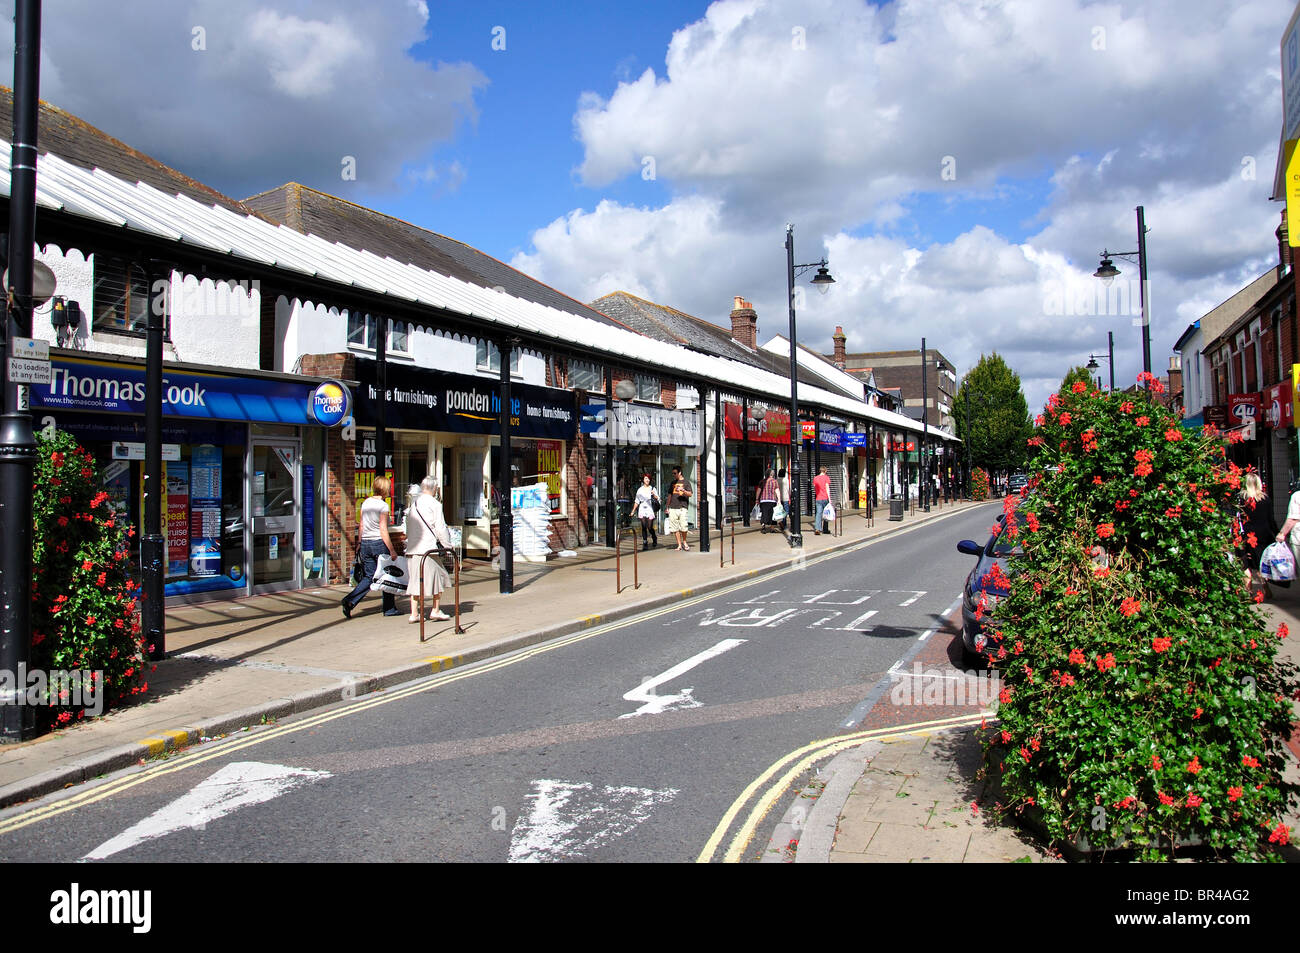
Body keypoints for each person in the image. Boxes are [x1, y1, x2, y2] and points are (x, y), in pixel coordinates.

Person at [343, 475, 399, 618]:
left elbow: (361, 524)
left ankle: (350, 600)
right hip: (379, 543)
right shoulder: (383, 506)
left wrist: (360, 543)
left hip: (366, 543)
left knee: (369, 576)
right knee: (387, 574)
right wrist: (392, 550)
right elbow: (383, 529)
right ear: (386, 488)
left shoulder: (366, 503)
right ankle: (389, 608)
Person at [404, 477, 455, 622]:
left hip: (413, 548)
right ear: (435, 488)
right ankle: (435, 609)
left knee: (415, 580)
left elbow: (408, 526)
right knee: (439, 576)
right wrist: (447, 546)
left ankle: (414, 613)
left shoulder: (414, 504)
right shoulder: (435, 504)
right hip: (428, 549)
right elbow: (440, 527)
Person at [1237, 472, 1277, 596]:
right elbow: (1271, 519)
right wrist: (1277, 533)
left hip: (1246, 534)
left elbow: (1236, 518)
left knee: (1246, 563)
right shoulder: (1265, 499)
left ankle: (1248, 589)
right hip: (1263, 535)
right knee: (1261, 562)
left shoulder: (1241, 499)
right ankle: (1265, 587)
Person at [667, 465, 692, 551]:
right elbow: (670, 495)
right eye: (673, 473)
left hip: (682, 507)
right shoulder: (672, 483)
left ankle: (684, 542)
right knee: (674, 527)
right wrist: (667, 507)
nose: (674, 475)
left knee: (684, 526)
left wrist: (684, 490)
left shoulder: (686, 482)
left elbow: (690, 494)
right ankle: (679, 544)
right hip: (673, 507)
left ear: (680, 473)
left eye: (675, 473)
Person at [633, 473, 660, 549]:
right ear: (643, 480)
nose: (647, 480)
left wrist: (654, 495)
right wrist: (633, 511)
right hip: (642, 508)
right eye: (645, 478)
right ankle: (645, 541)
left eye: (648, 478)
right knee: (644, 526)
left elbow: (657, 498)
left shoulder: (652, 488)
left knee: (649, 526)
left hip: (650, 509)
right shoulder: (640, 489)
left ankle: (654, 537)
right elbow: (637, 501)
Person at [758, 468, 779, 533]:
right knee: (773, 514)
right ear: (773, 474)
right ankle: (772, 528)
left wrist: (757, 499)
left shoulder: (762, 481)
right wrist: (779, 500)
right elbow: (777, 491)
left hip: (763, 500)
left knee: (764, 513)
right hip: (772, 500)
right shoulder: (775, 481)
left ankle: (763, 527)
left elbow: (758, 491)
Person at [813, 465, 831, 535]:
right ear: (825, 471)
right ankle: (825, 529)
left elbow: (815, 488)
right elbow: (827, 488)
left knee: (818, 513)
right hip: (825, 498)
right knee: (826, 513)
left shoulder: (815, 478)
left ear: (820, 470)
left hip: (818, 498)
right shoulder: (826, 477)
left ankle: (817, 529)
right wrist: (829, 499)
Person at [778, 467, 791, 533]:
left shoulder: (777, 480)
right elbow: (788, 489)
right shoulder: (786, 480)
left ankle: (781, 523)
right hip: (785, 497)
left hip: (779, 498)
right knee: (785, 511)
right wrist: (790, 496)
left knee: (780, 511)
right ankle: (784, 524)